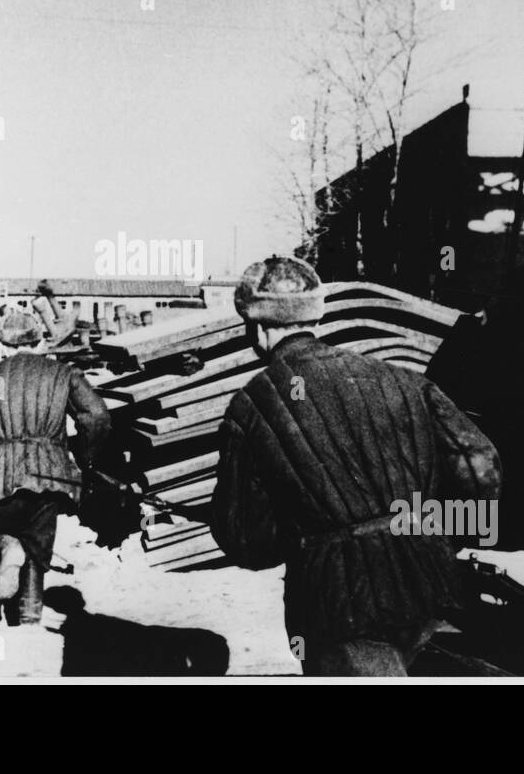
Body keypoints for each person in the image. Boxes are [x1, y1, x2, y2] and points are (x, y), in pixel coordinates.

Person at [210, 256, 502, 676]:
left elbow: (247, 541)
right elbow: (480, 463)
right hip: (433, 584)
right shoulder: (400, 378)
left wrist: (303, 530)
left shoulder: (252, 406)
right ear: (315, 315)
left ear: (256, 328)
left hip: (337, 608)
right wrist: (438, 535)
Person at [0, 311, 111, 624]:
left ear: (2, 344)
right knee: (38, 539)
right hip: (50, 472)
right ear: (39, 339)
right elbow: (96, 416)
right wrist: (85, 456)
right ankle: (29, 613)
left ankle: (6, 546)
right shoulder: (63, 373)